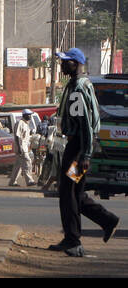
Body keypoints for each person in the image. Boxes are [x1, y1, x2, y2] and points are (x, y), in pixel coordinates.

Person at [49, 49, 119, 257]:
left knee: (67, 192)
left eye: (65, 62)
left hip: (78, 147)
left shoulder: (78, 89)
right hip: (79, 146)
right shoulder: (79, 84)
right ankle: (107, 220)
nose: (61, 65)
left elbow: (86, 125)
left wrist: (85, 155)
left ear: (75, 64)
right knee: (75, 193)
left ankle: (73, 240)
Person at [9, 108, 37, 186]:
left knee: (18, 166)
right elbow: (17, 136)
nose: (30, 117)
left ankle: (12, 182)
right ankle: (29, 181)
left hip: (24, 147)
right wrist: (19, 148)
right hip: (21, 147)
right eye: (29, 115)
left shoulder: (26, 124)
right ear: (25, 115)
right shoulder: (20, 123)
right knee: (27, 163)